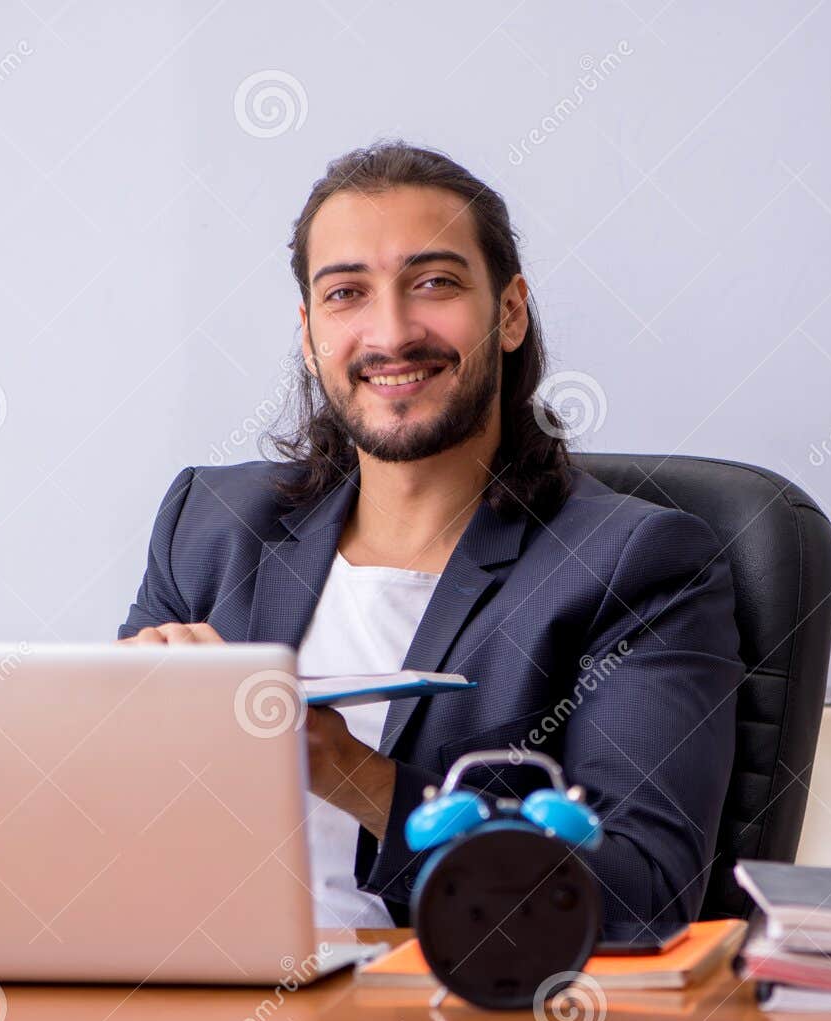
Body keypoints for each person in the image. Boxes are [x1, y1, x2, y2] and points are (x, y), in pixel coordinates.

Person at [119, 141, 742, 930]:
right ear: (310, 336)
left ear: (509, 313)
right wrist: (118, 732)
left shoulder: (634, 565)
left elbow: (641, 897)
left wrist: (340, 767)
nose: (391, 333)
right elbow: (104, 822)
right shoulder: (208, 523)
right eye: (346, 293)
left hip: (433, 997)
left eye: (435, 283)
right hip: (185, 976)